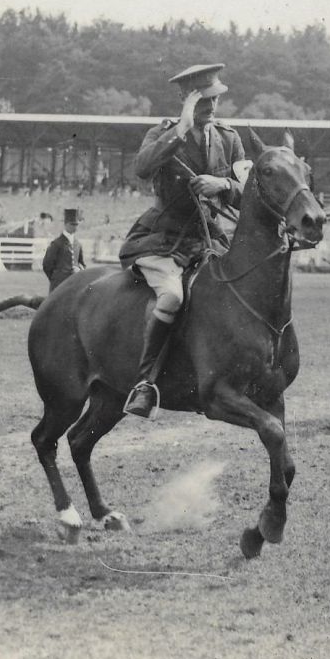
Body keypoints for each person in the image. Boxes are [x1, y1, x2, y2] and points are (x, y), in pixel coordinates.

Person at [119, 62, 248, 418]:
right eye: (203, 100)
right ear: (186, 100)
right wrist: (183, 126)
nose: (212, 106)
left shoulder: (229, 138)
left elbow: (248, 191)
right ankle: (144, 384)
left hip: (209, 240)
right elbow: (143, 168)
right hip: (163, 240)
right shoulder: (162, 133)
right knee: (173, 296)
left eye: (215, 98)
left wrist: (221, 185)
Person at [0, 206, 86, 317]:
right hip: (58, 288)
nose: (75, 227)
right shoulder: (56, 244)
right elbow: (47, 266)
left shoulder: (78, 245)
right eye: (72, 224)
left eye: (76, 225)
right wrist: (58, 278)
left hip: (74, 289)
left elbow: (82, 264)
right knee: (27, 300)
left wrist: (79, 270)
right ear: (66, 224)